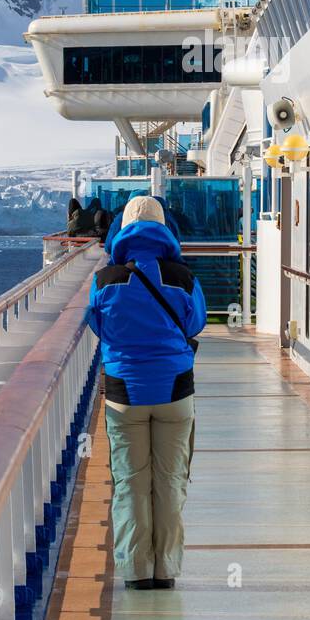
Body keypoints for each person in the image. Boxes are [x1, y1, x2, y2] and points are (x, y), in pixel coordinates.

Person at [86, 195, 206, 590]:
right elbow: (195, 324)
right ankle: (166, 568)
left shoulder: (105, 280)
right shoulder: (183, 277)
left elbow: (98, 326)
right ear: (164, 228)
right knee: (170, 479)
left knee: (131, 481)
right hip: (174, 390)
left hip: (124, 393)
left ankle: (136, 571)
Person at [104, 195, 181, 254]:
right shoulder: (169, 218)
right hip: (163, 263)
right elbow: (176, 242)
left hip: (127, 261)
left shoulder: (122, 216)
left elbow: (109, 246)